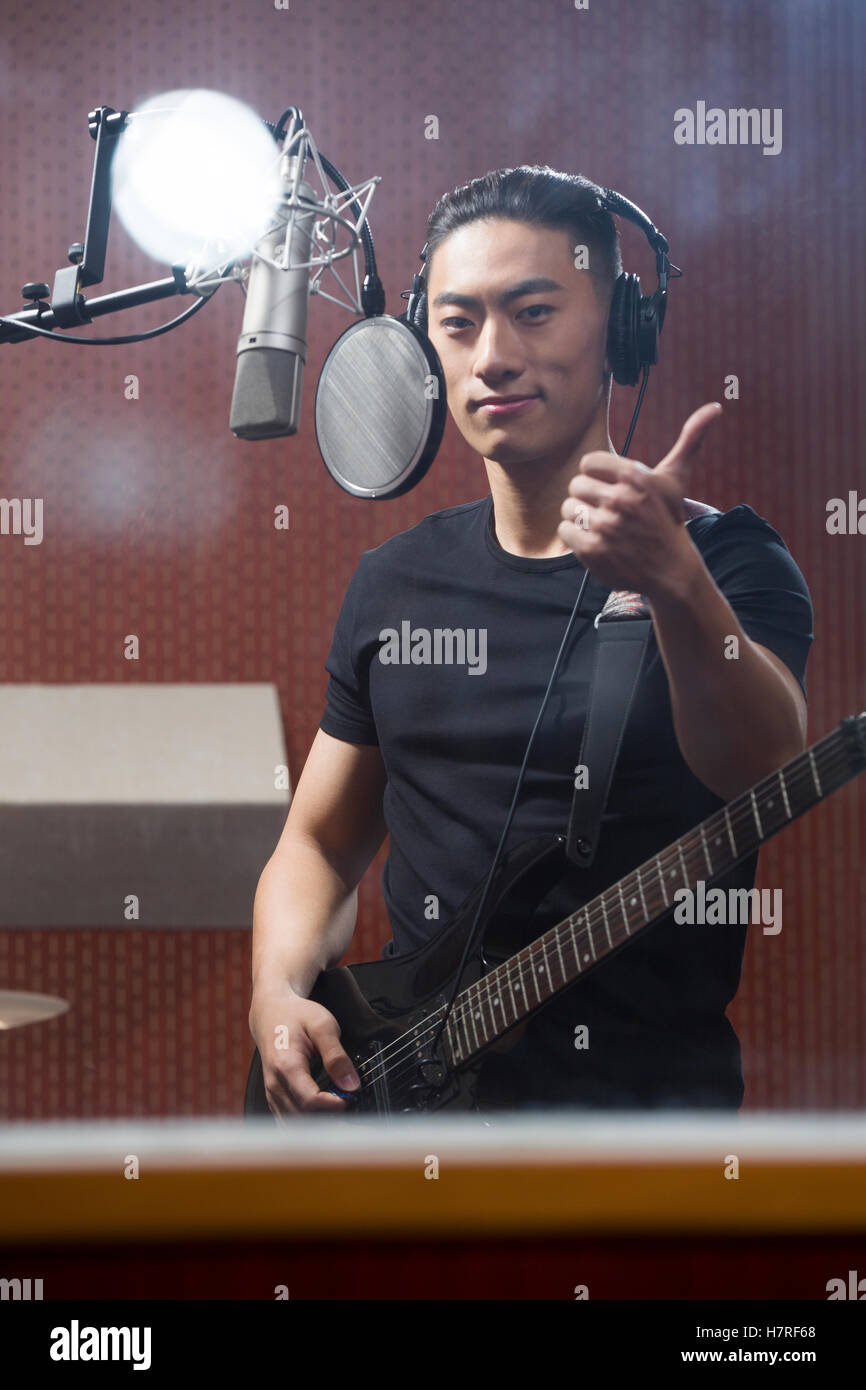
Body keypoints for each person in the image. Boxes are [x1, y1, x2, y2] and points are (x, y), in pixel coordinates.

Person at [248, 166, 813, 1117]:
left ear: (621, 336)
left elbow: (762, 769)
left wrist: (672, 583)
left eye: (535, 312)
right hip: (399, 1117)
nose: (493, 356)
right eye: (460, 323)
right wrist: (276, 993)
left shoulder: (729, 562)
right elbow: (320, 841)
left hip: (637, 1143)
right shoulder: (395, 582)